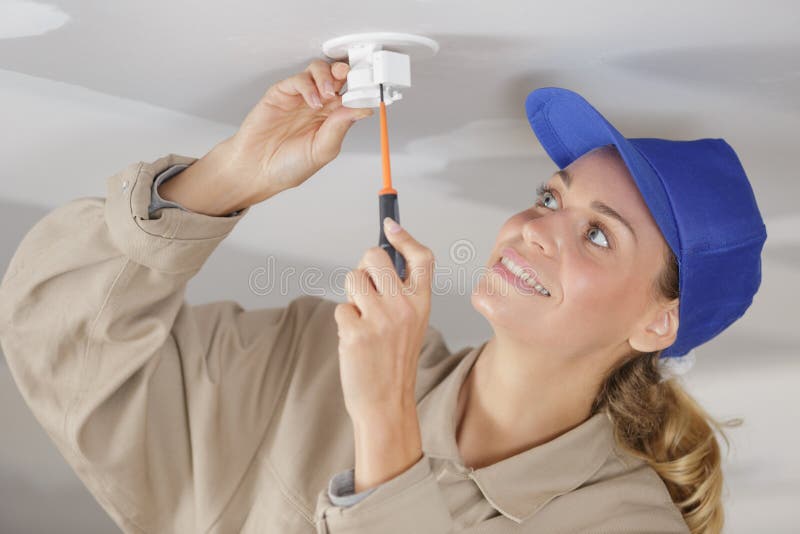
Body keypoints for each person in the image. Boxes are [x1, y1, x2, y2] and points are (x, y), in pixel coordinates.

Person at [0, 60, 766, 534]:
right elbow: (55, 336)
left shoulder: (624, 529)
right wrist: (229, 176)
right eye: (550, 195)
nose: (534, 228)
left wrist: (385, 423)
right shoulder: (310, 358)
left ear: (655, 321)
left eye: (598, 236)